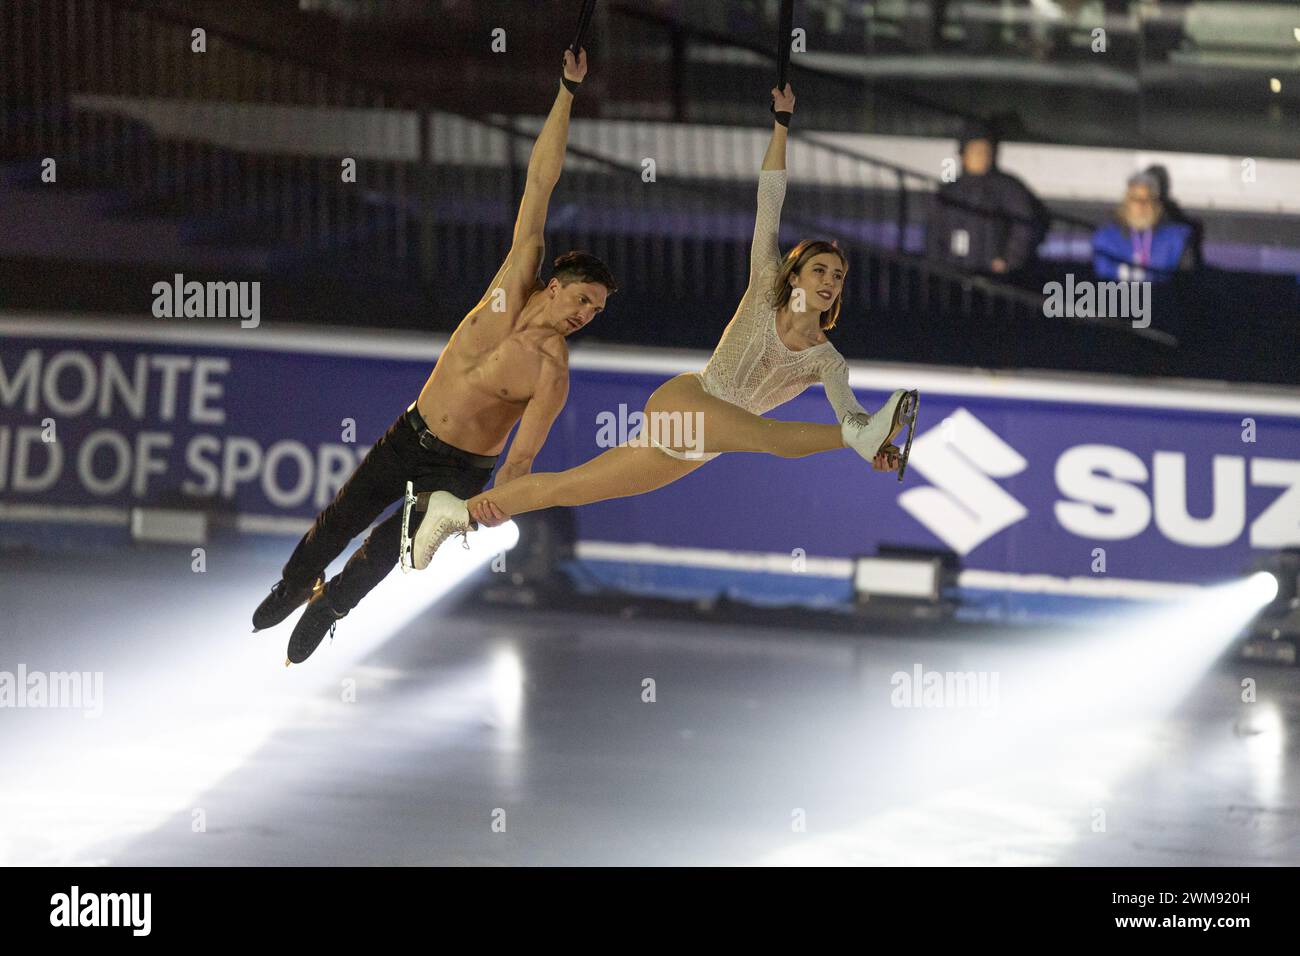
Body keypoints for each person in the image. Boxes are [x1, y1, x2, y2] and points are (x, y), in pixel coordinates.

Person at [404, 83, 919, 570]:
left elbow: (849, 412)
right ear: (796, 272)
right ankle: (862, 440)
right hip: (688, 400)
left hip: (694, 444)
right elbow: (770, 200)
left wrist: (867, 436)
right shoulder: (766, 282)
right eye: (821, 270)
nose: (830, 281)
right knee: (770, 439)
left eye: (839, 276)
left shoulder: (827, 360)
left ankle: (458, 513)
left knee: (566, 487)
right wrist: (781, 124)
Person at [253, 48, 616, 665]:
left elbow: (522, 456)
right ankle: (294, 584)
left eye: (596, 311)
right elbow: (540, 181)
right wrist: (566, 89)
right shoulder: (515, 276)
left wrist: (494, 507)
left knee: (378, 557)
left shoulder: (552, 370)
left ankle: (330, 608)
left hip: (459, 473)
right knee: (338, 520)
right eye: (583, 299)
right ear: (556, 284)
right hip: (411, 431)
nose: (585, 314)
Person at [927, 120, 1046, 276]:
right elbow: (934, 231)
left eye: (986, 151)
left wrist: (1009, 260)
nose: (982, 156)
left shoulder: (1008, 187)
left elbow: (1025, 225)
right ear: (964, 155)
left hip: (993, 275)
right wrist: (938, 265)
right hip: (954, 273)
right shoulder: (949, 190)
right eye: (976, 151)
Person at [1092, 171, 1196, 282]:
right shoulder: (1105, 238)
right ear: (1126, 203)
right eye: (1136, 199)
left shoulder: (1177, 238)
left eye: (1147, 199)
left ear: (1156, 204)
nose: (1141, 205)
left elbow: (1186, 286)